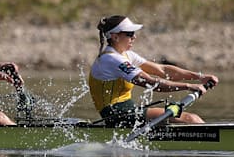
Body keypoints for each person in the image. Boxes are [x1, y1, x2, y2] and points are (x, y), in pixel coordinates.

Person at [88, 15, 219, 126]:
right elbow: (152, 83)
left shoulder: (127, 55)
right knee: (191, 119)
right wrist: (188, 86)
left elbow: (163, 70)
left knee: (185, 118)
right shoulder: (112, 60)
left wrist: (199, 77)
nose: (134, 37)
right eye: (130, 34)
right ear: (115, 37)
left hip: (128, 110)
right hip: (115, 115)